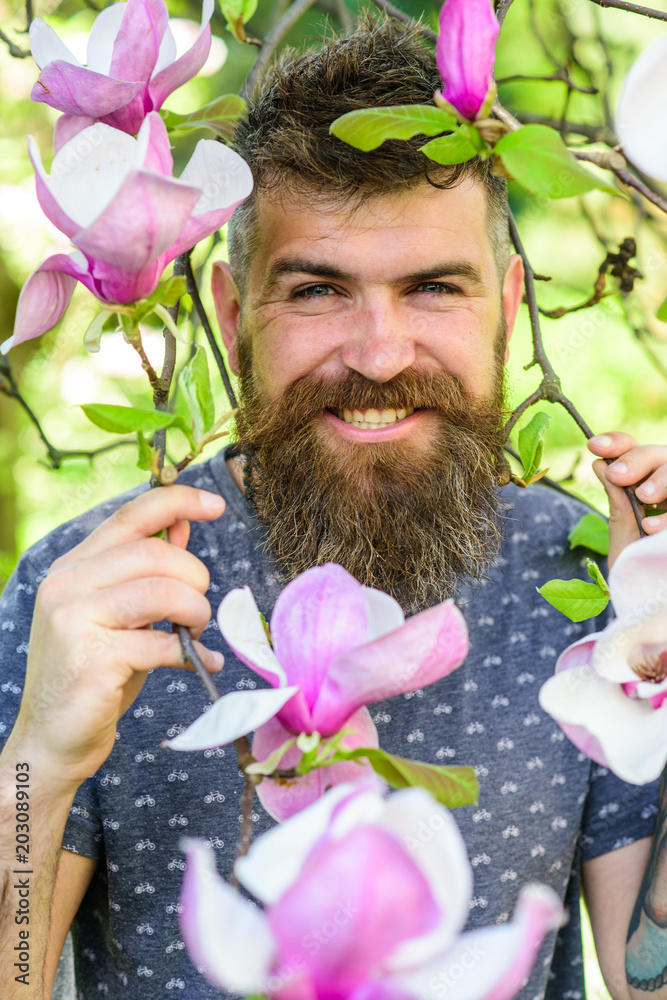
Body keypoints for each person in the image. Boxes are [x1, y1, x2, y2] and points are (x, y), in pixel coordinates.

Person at [1, 14, 666, 1000]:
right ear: (232, 315)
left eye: (434, 287)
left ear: (505, 301)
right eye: (316, 290)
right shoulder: (100, 597)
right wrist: (37, 765)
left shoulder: (592, 583)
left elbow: (648, 973)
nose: (379, 351)